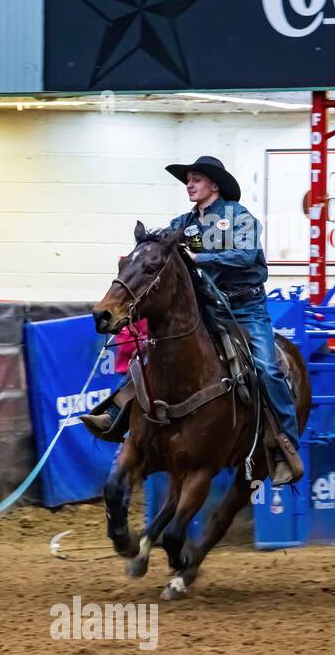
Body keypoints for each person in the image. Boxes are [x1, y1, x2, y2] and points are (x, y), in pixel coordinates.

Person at [81, 155, 303, 485]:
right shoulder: (181, 223)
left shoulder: (239, 218)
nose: (189, 184)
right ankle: (116, 411)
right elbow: (163, 255)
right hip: (206, 308)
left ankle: (285, 445)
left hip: (246, 310)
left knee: (267, 367)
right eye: (188, 180)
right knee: (152, 355)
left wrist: (202, 257)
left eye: (196, 179)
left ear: (214, 185)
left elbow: (246, 256)